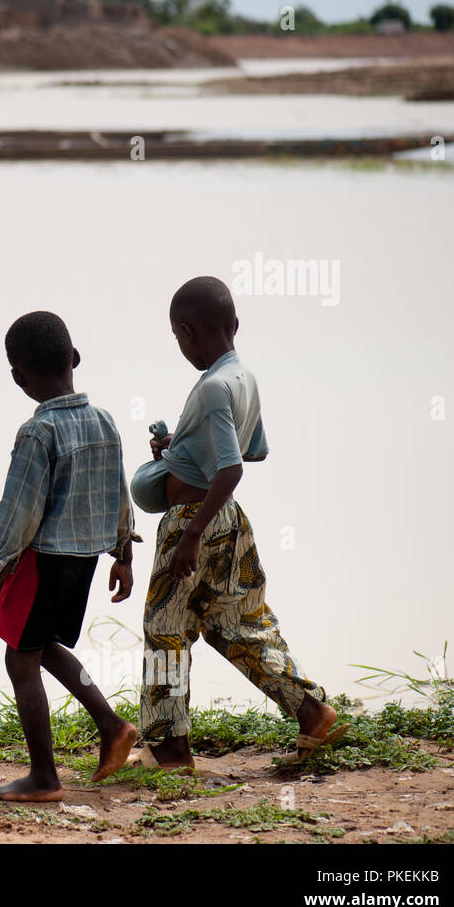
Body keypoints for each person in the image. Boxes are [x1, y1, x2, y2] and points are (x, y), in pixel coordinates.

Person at [132, 276, 348, 771]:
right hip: (229, 521)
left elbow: (233, 468)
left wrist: (189, 536)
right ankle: (313, 712)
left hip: (195, 519)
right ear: (235, 324)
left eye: (177, 338)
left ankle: (169, 751)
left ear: (185, 332)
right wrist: (179, 450)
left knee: (164, 631)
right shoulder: (242, 378)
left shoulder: (210, 388)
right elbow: (256, 448)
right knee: (237, 621)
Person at [0, 311, 139, 802]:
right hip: (83, 563)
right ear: (74, 359)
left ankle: (44, 777)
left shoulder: (37, 433)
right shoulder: (104, 421)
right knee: (40, 646)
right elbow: (117, 492)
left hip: (43, 561)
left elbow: (18, 511)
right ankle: (112, 725)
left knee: (20, 658)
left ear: (18, 377)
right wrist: (123, 554)